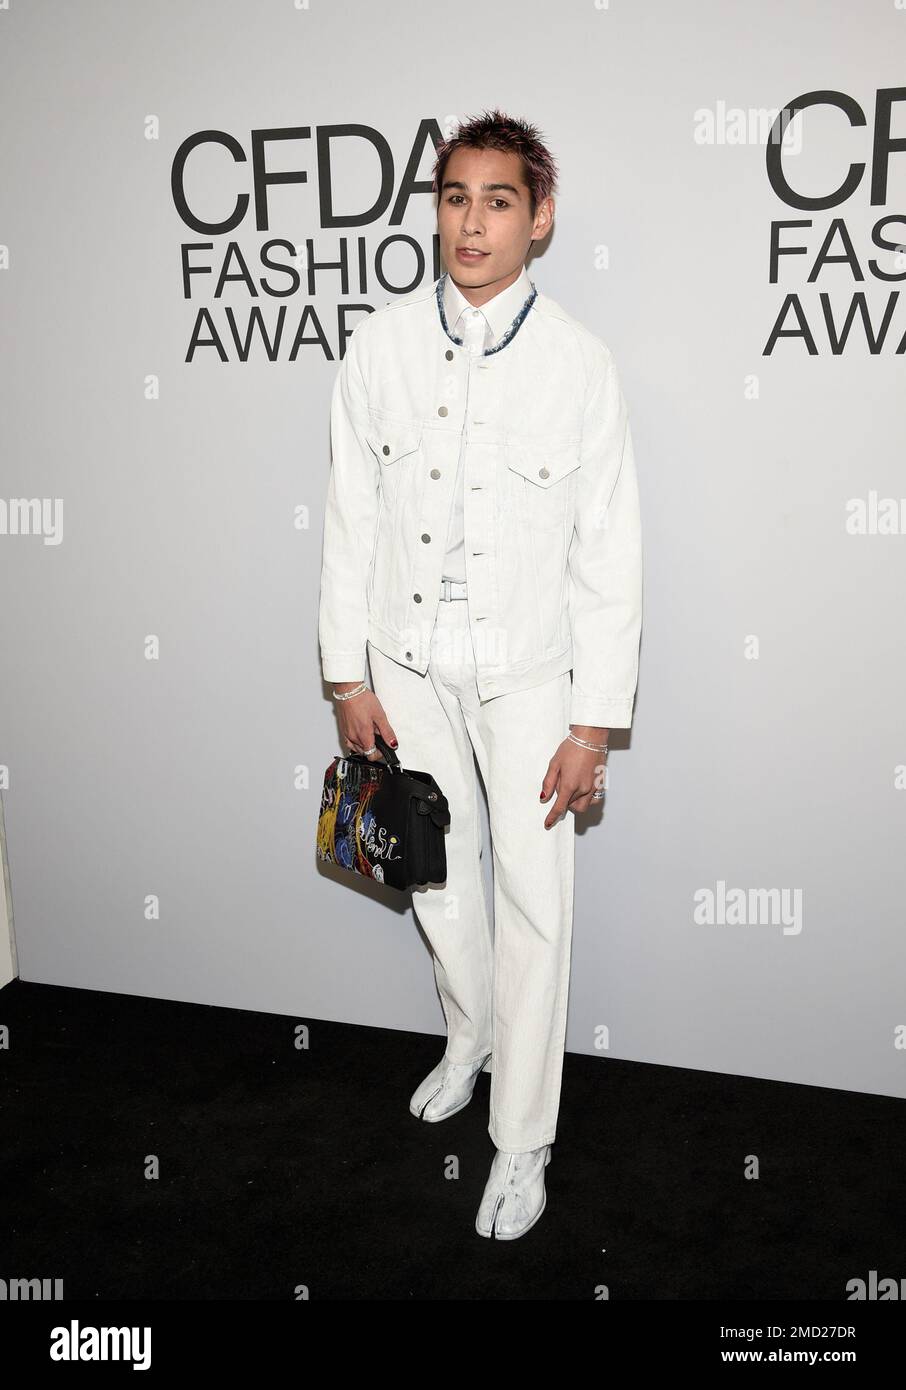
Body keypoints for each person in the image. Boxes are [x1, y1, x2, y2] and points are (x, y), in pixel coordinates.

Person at [318, 108, 643, 1239]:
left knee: (536, 905)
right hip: (404, 664)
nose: (472, 220)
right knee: (436, 876)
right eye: (455, 196)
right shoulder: (379, 349)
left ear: (538, 219)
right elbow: (348, 524)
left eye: (498, 200)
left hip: (532, 674)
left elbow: (611, 552)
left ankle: (523, 1140)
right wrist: (346, 676)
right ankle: (471, 1033)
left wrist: (594, 727)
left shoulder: (582, 367)